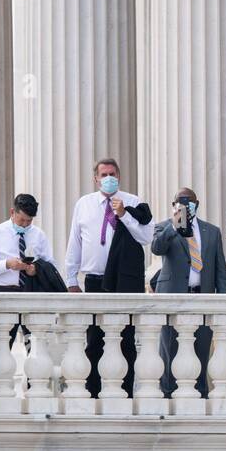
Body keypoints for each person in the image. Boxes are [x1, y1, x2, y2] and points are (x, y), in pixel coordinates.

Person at [64, 158, 154, 397]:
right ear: (96, 178)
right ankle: (93, 392)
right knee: (94, 339)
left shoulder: (134, 201)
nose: (108, 178)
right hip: (94, 278)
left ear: (119, 176)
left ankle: (125, 392)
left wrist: (124, 214)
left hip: (124, 280)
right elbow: (75, 241)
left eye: (112, 173)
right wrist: (71, 279)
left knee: (126, 339)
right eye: (103, 174)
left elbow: (146, 237)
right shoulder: (84, 204)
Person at [150, 187, 226, 397]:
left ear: (197, 204)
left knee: (202, 351)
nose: (185, 204)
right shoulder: (163, 227)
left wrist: (224, 303)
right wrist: (175, 226)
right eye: (180, 201)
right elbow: (157, 249)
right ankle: (167, 395)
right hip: (172, 298)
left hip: (203, 297)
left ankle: (200, 395)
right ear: (173, 204)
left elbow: (220, 269)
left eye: (189, 201)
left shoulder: (212, 231)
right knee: (169, 351)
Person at [0, 194, 54, 347]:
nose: (25, 224)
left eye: (29, 221)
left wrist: (35, 269)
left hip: (31, 291)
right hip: (5, 291)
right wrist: (7, 264)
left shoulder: (39, 235)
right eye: (22, 220)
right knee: (3, 343)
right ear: (12, 212)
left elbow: (50, 264)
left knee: (35, 343)